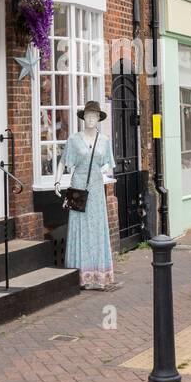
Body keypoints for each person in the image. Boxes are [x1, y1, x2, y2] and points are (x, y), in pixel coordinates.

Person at [57, 100, 116, 288]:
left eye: (94, 116)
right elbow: (63, 161)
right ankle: (81, 275)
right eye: (88, 115)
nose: (91, 119)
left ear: (99, 118)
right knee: (79, 227)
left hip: (97, 187)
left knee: (97, 227)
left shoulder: (104, 140)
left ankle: (99, 275)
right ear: (83, 118)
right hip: (78, 185)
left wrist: (105, 171)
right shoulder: (74, 140)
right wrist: (57, 181)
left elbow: (108, 164)